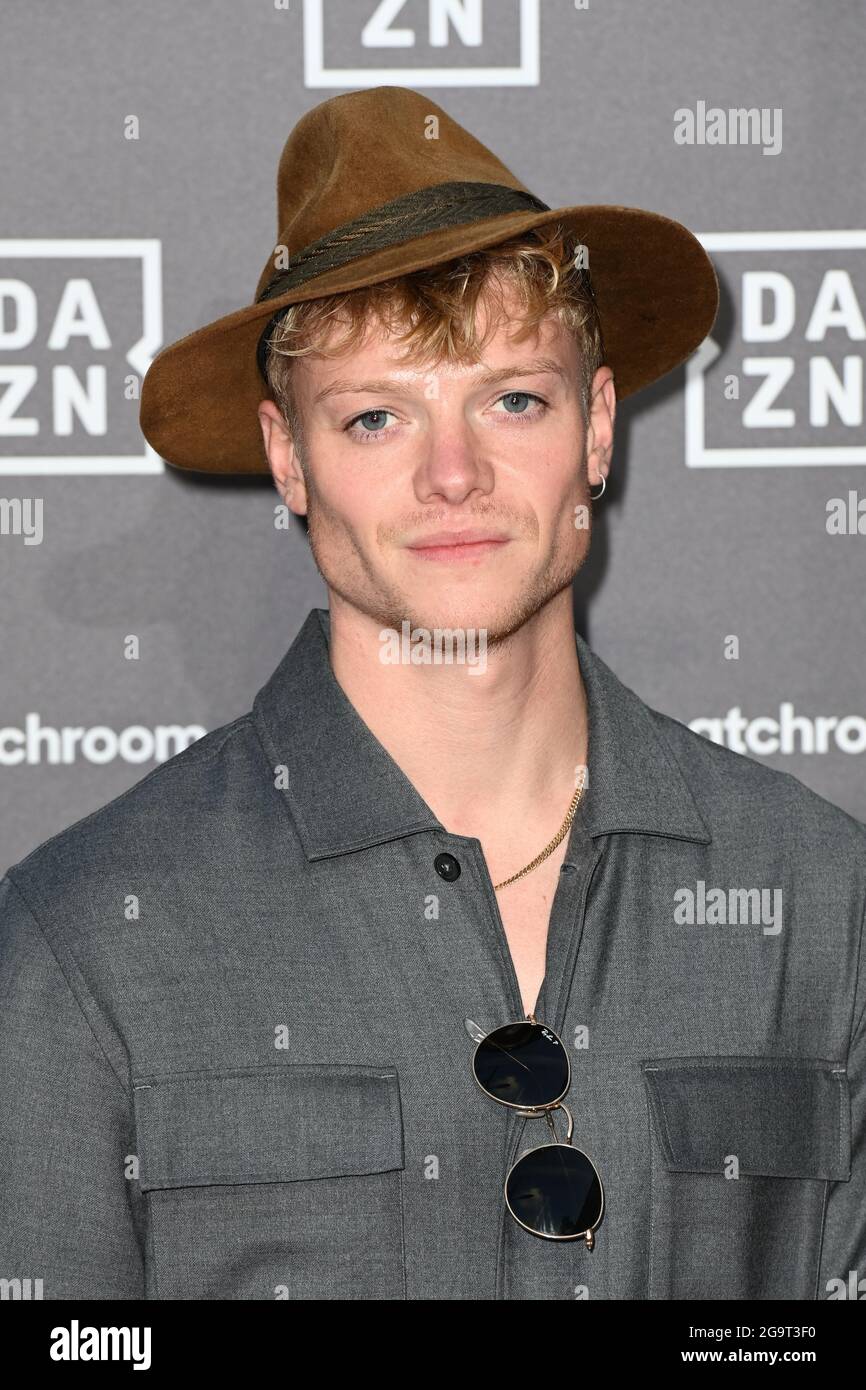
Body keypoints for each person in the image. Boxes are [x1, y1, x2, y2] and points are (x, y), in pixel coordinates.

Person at [1, 86, 863, 1301]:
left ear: (598, 426)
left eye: (512, 398)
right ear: (289, 459)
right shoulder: (82, 939)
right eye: (373, 416)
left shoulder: (818, 902)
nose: (453, 474)